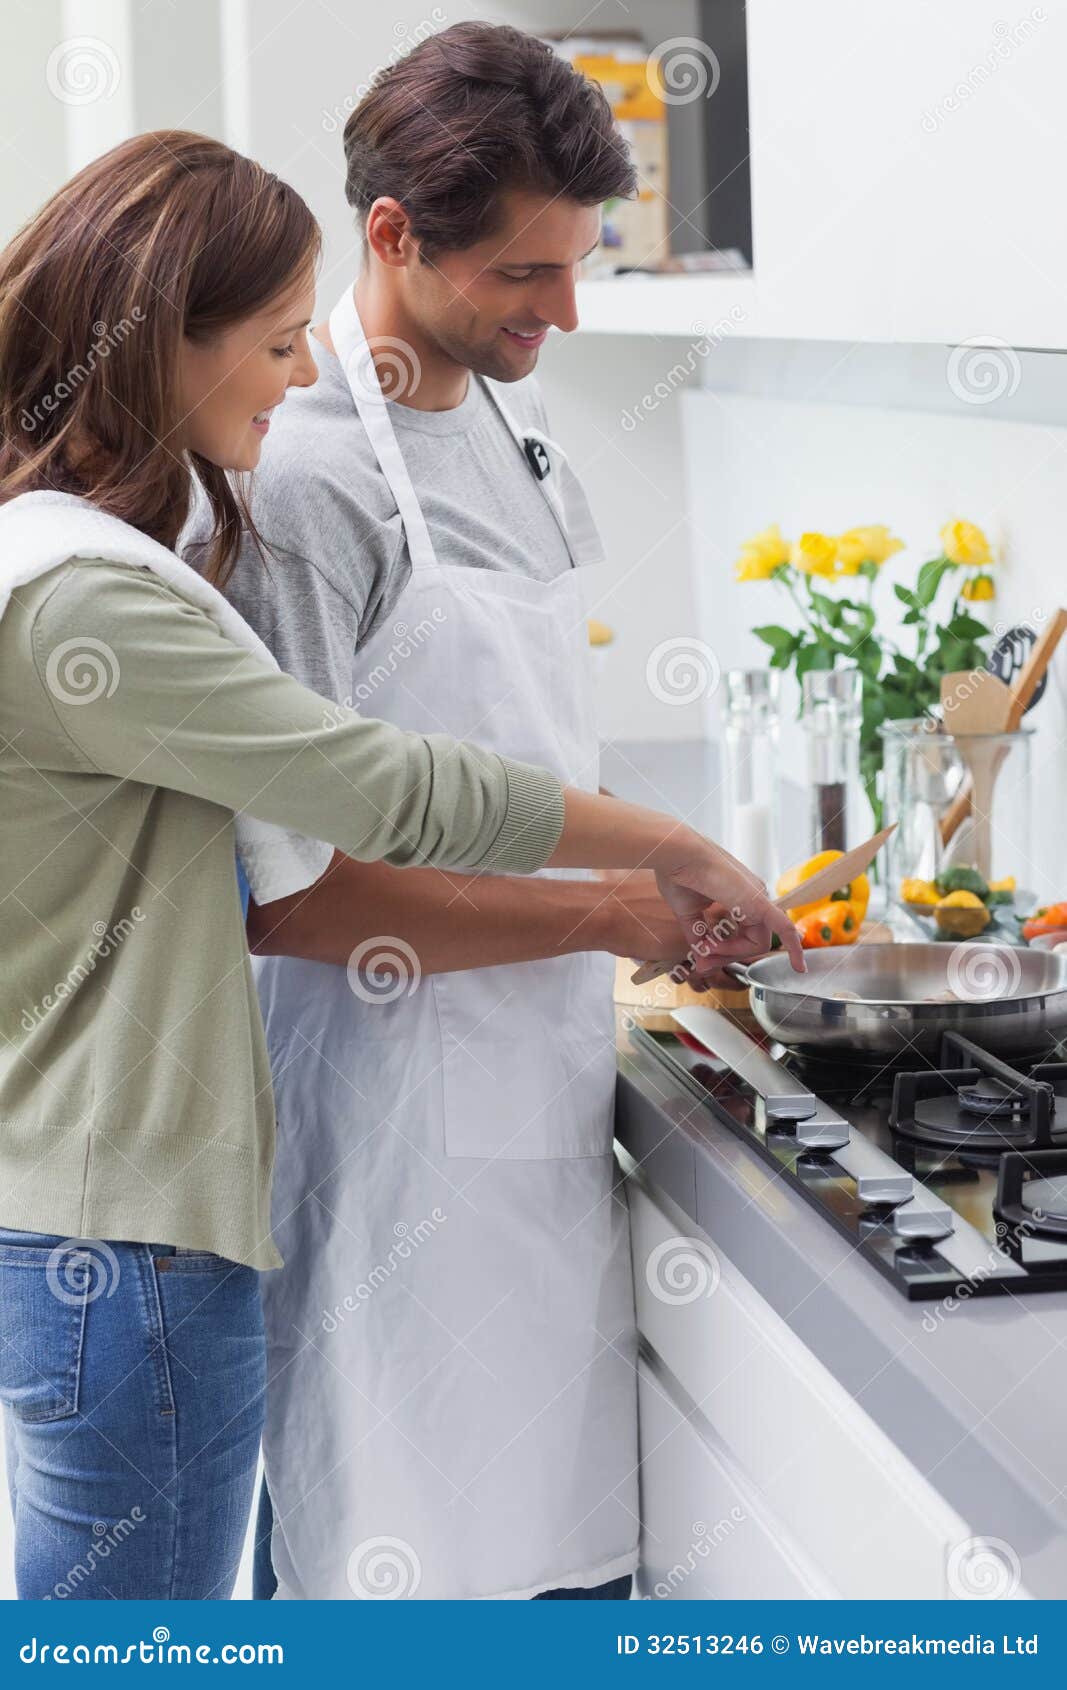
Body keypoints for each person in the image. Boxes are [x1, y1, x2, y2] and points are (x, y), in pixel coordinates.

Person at [0, 128, 801, 1602]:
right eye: (271, 337)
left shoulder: (57, 560)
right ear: (154, 343)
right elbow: (374, 792)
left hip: (107, 1223)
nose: (298, 372)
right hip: (127, 1237)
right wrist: (661, 858)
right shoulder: (85, 600)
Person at [186, 25, 771, 1603]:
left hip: (541, 1104)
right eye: (525, 274)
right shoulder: (305, 490)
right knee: (399, 1576)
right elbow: (290, 893)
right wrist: (609, 905)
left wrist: (667, 876)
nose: (562, 313)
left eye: (575, 267)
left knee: (554, 1579)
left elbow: (524, 762)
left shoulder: (527, 447)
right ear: (391, 234)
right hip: (378, 1130)